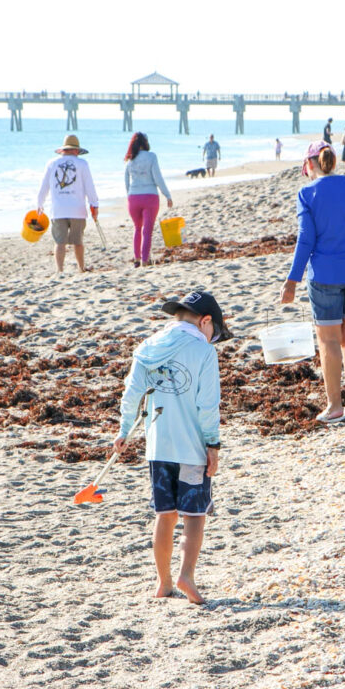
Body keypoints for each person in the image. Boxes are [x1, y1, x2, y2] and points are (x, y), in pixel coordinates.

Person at [114, 290, 232, 605]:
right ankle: (186, 575)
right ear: (205, 321)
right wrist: (213, 444)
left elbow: (131, 393)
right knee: (194, 515)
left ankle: (163, 582)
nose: (213, 339)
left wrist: (124, 429)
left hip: (158, 446)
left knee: (164, 515)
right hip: (191, 446)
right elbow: (208, 405)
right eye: (214, 333)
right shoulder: (204, 352)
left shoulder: (148, 346)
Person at [280, 141, 345, 423]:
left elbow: (306, 239)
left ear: (310, 165)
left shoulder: (307, 193)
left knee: (328, 340)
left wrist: (292, 280)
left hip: (325, 275)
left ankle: (334, 406)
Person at [37, 134, 99, 275]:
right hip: (78, 209)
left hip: (58, 210)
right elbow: (90, 187)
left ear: (64, 149)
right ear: (76, 150)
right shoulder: (82, 164)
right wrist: (94, 205)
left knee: (60, 242)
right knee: (78, 241)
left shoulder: (52, 164)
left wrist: (40, 203)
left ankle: (60, 270)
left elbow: (44, 186)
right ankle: (81, 268)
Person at [124, 132, 173, 268]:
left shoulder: (130, 159)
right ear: (145, 143)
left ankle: (136, 258)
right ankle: (145, 261)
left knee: (137, 228)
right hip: (150, 197)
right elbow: (158, 178)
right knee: (147, 231)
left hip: (133, 198)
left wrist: (129, 195)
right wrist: (167, 195)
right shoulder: (151, 157)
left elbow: (126, 181)